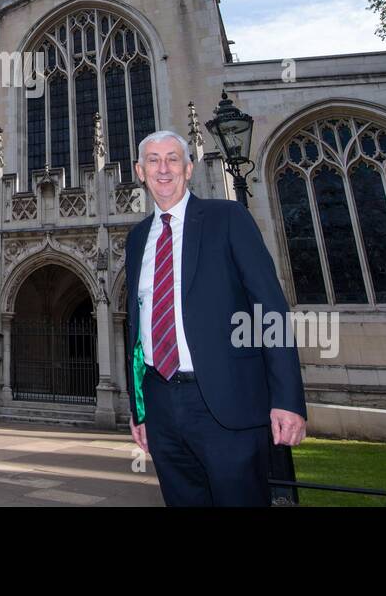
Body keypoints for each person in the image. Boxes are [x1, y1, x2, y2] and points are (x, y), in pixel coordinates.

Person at [127, 129, 307, 506]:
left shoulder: (227, 217)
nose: (164, 169)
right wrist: (139, 409)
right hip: (161, 405)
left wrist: (287, 398)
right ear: (140, 171)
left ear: (188, 168)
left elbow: (269, 309)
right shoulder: (137, 238)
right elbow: (137, 330)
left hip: (228, 404)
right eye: (153, 161)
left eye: (173, 159)